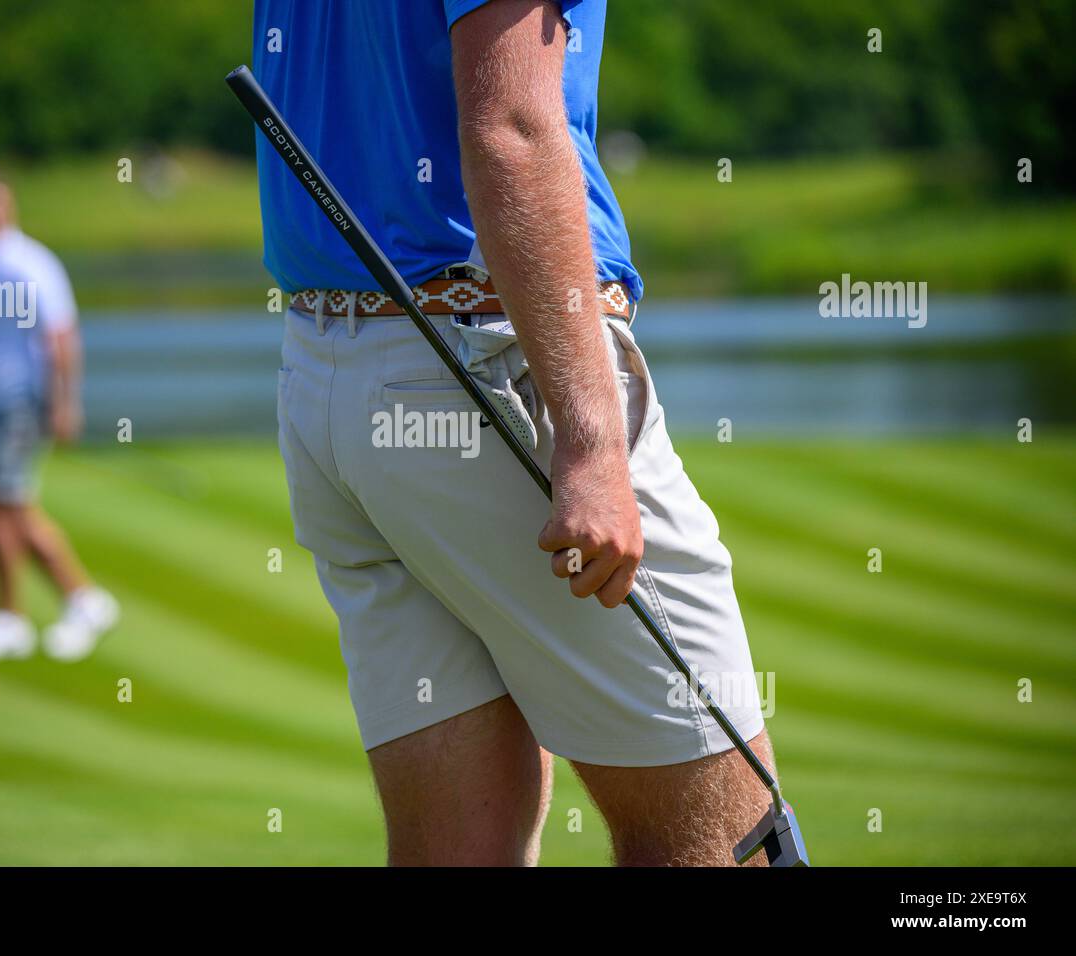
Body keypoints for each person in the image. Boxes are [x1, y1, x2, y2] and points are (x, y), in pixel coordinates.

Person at [255, 0, 777, 865]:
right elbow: (512, 127)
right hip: (483, 368)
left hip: (331, 373)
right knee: (725, 838)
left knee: (455, 849)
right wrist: (592, 439)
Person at [0, 173, 118, 662]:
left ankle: (10, 618)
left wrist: (64, 403)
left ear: (7, 210)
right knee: (9, 507)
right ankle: (82, 599)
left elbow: (61, 338)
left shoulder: (30, 264)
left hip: (21, 400)